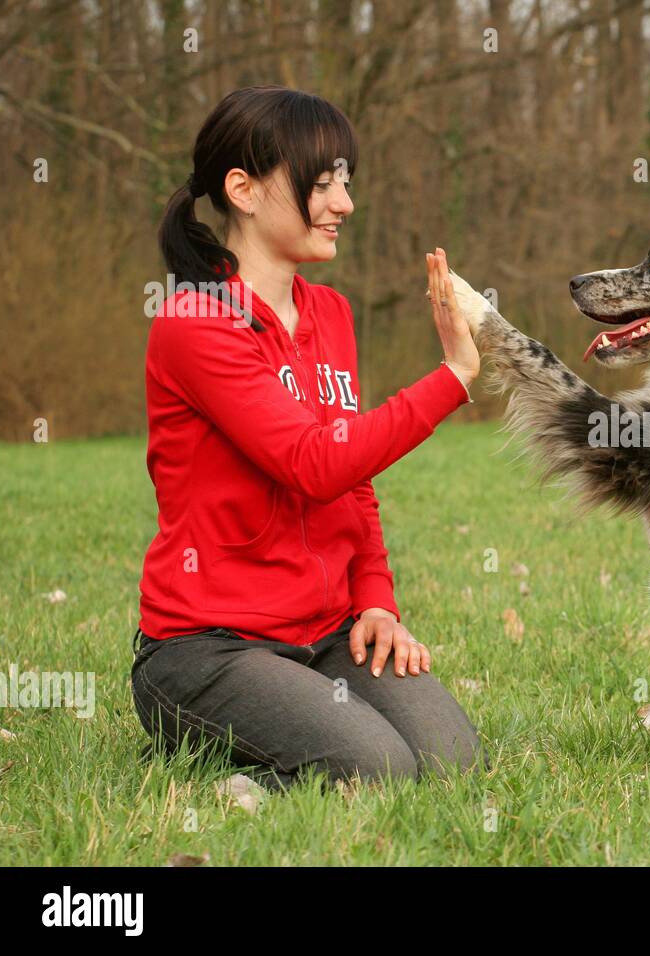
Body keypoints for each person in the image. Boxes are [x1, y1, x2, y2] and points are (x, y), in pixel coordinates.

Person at [131, 85, 483, 793]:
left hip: (322, 637)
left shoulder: (331, 314)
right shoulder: (196, 321)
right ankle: (240, 780)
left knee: (452, 759)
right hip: (208, 651)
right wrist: (454, 377)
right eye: (322, 184)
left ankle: (296, 725)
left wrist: (376, 600)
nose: (344, 204)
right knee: (375, 771)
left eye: (345, 181)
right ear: (244, 189)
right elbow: (312, 464)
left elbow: (352, 476)